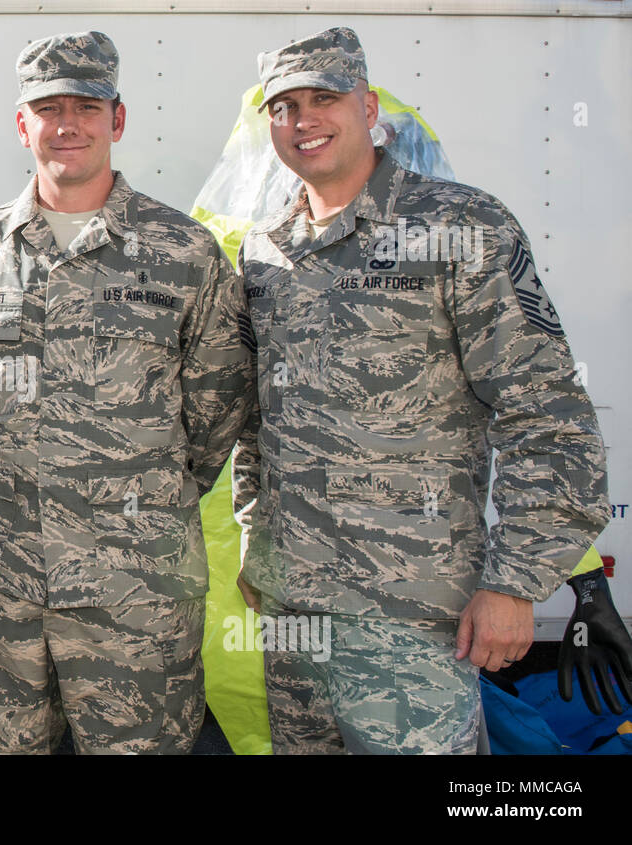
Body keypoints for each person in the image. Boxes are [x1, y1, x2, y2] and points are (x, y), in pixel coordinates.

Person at [233, 26, 612, 753]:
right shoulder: (267, 250)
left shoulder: (458, 226)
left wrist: (516, 581)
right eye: (283, 106)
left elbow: (548, 414)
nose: (303, 119)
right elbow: (259, 418)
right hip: (297, 620)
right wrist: (257, 540)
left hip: (414, 618)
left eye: (323, 98)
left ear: (368, 105)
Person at [0, 31, 254, 754]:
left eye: (86, 105)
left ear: (119, 118)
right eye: (48, 107)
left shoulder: (183, 252)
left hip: (135, 596)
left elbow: (216, 409)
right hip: (4, 600)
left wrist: (127, 496)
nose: (67, 123)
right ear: (22, 124)